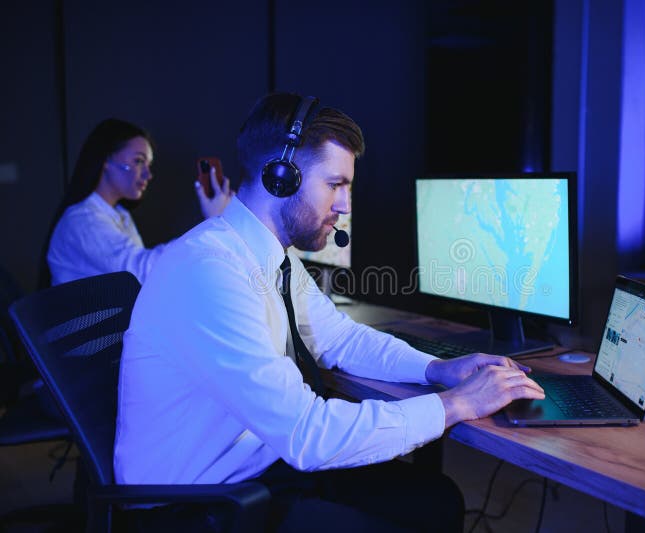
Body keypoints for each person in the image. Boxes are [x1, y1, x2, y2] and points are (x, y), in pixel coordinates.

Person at [114, 93, 545, 532]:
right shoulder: (208, 271)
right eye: (335, 184)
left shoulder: (269, 256)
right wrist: (458, 403)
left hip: (259, 469)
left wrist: (437, 369)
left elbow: (339, 337)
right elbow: (307, 435)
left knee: (436, 501)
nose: (345, 206)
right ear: (280, 177)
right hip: (195, 507)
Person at [44, 118, 233, 286]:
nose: (148, 174)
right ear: (106, 160)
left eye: (148, 165)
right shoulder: (84, 221)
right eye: (139, 161)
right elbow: (140, 274)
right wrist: (212, 224)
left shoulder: (120, 214)